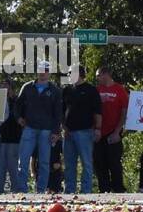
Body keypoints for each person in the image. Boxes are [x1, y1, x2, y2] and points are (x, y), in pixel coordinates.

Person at [13, 61, 62, 194]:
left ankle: (40, 191)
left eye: (46, 70)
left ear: (49, 72)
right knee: (23, 161)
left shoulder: (55, 90)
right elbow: (17, 105)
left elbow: (58, 113)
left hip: (46, 130)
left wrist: (56, 131)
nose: (43, 72)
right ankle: (22, 190)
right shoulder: (27, 87)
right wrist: (19, 118)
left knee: (44, 163)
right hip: (29, 128)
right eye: (40, 69)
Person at [61, 65, 101, 194]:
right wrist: (63, 127)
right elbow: (62, 111)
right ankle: (69, 191)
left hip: (85, 132)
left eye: (70, 73)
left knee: (87, 164)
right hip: (68, 133)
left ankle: (86, 192)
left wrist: (98, 129)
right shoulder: (66, 90)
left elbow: (98, 112)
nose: (68, 76)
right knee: (69, 165)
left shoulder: (91, 90)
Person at [94, 66, 129, 193]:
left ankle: (118, 190)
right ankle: (104, 191)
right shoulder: (97, 90)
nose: (97, 78)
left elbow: (124, 112)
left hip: (113, 132)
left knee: (114, 163)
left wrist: (117, 132)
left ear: (106, 74)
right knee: (99, 163)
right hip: (98, 133)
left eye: (98, 75)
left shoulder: (120, 90)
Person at [0, 76, 21, 193]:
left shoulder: (17, 100)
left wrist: (11, 99)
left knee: (13, 167)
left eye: (6, 84)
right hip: (0, 138)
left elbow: (20, 116)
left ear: (11, 86)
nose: (4, 86)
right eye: (2, 84)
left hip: (14, 138)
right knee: (0, 167)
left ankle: (15, 191)